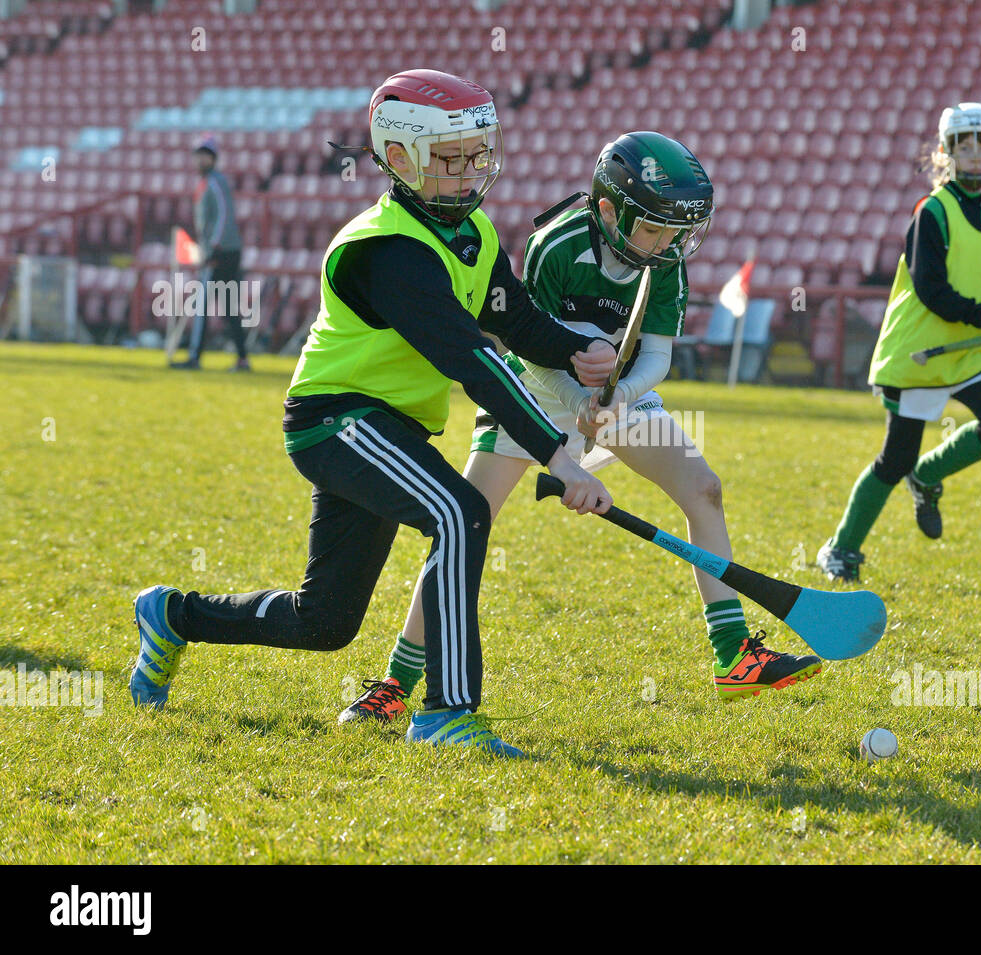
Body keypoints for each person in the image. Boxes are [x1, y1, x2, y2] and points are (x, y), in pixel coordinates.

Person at [130, 69, 619, 757]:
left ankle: (172, 614)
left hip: (386, 429)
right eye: (452, 158)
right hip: (336, 421)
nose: (472, 170)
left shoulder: (472, 232)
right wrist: (561, 460)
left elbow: (519, 322)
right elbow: (472, 360)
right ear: (399, 159)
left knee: (323, 621)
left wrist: (579, 350)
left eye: (478, 152)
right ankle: (447, 712)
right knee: (459, 510)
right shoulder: (389, 251)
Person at [338, 131, 822, 725]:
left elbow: (656, 357)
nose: (667, 243)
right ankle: (397, 681)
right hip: (535, 393)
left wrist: (618, 398)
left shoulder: (663, 258)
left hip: (620, 396)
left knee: (704, 489)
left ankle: (733, 655)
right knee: (465, 528)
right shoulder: (556, 244)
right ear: (608, 211)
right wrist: (574, 394)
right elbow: (528, 344)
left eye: (676, 232)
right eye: (653, 229)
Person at [816, 102, 981, 582]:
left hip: (965, 352)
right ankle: (841, 549)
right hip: (919, 352)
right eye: (965, 143)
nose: (976, 153)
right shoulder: (932, 212)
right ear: (947, 152)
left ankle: (929, 474)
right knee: (895, 458)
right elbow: (933, 291)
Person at [171, 135, 250, 371]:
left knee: (203, 303)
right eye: (198, 155)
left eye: (204, 155)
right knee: (227, 307)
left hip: (221, 252)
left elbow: (224, 214)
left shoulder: (215, 182)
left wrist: (213, 246)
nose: (200, 159)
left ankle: (195, 357)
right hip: (222, 250)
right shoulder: (207, 182)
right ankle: (242, 358)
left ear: (212, 158)